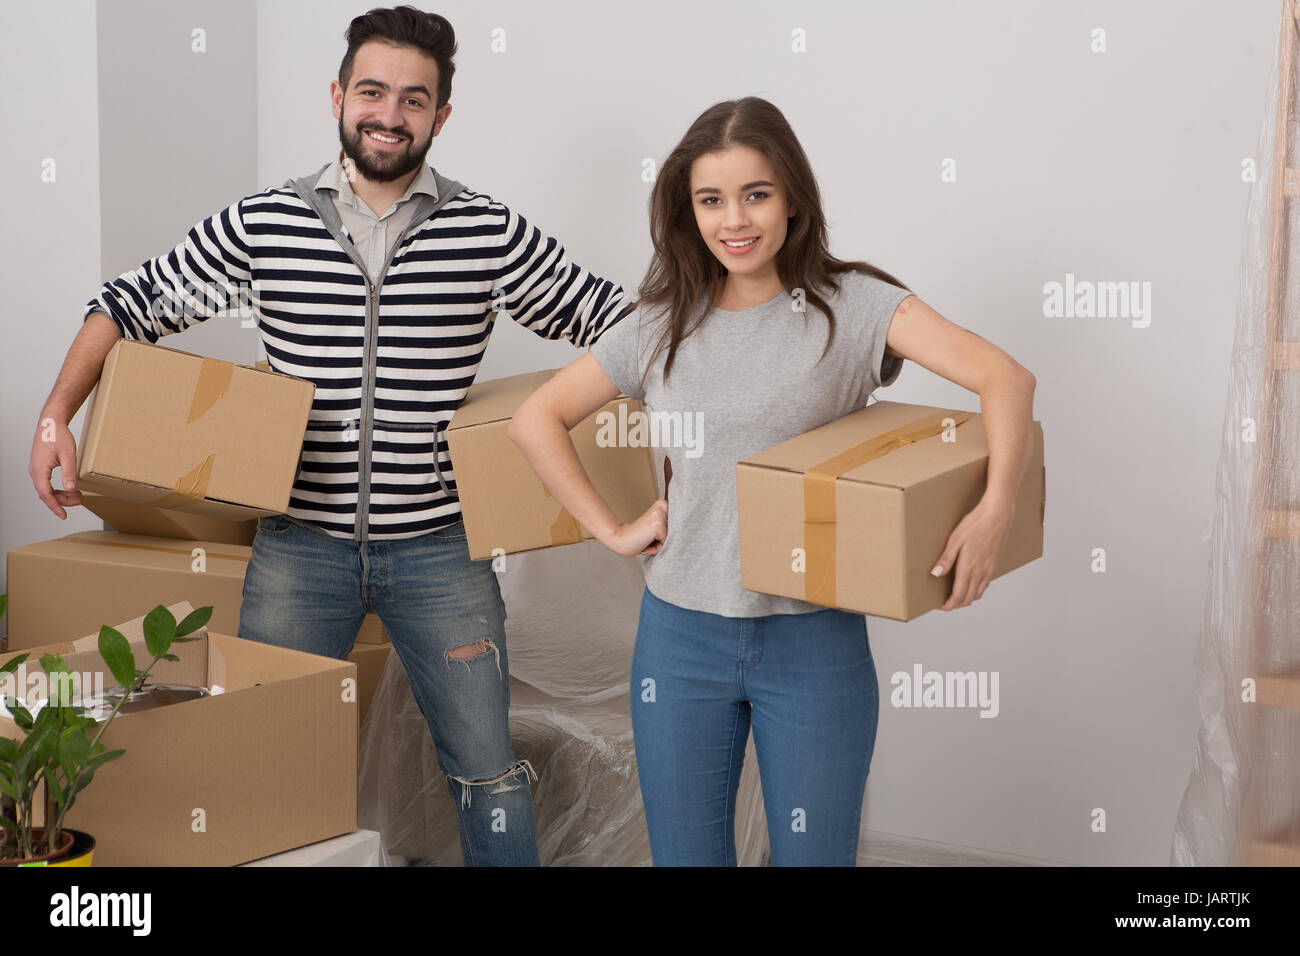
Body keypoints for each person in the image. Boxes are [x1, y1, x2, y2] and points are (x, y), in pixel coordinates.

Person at [28, 6, 636, 868]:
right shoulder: (266, 222)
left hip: (442, 552)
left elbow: (619, 324)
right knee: (263, 762)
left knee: (486, 771)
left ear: (441, 115)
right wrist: (56, 418)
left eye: (414, 99)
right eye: (373, 91)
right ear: (338, 95)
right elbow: (127, 304)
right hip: (297, 552)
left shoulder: (486, 231)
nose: (390, 114)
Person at [508, 96, 1038, 866]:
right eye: (711, 200)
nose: (734, 220)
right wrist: (614, 531)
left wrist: (994, 510)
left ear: (792, 196)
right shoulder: (661, 321)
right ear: (688, 210)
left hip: (812, 639)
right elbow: (536, 419)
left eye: (755, 194)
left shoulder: (855, 307)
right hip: (679, 639)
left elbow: (1006, 378)